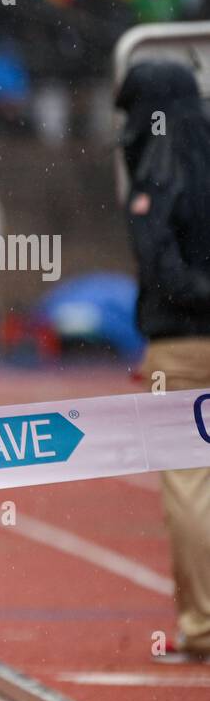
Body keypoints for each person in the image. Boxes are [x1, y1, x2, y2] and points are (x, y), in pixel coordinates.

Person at [115, 60, 210, 664]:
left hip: (182, 343)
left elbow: (164, 272)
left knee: (190, 485)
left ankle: (202, 626)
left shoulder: (156, 168)